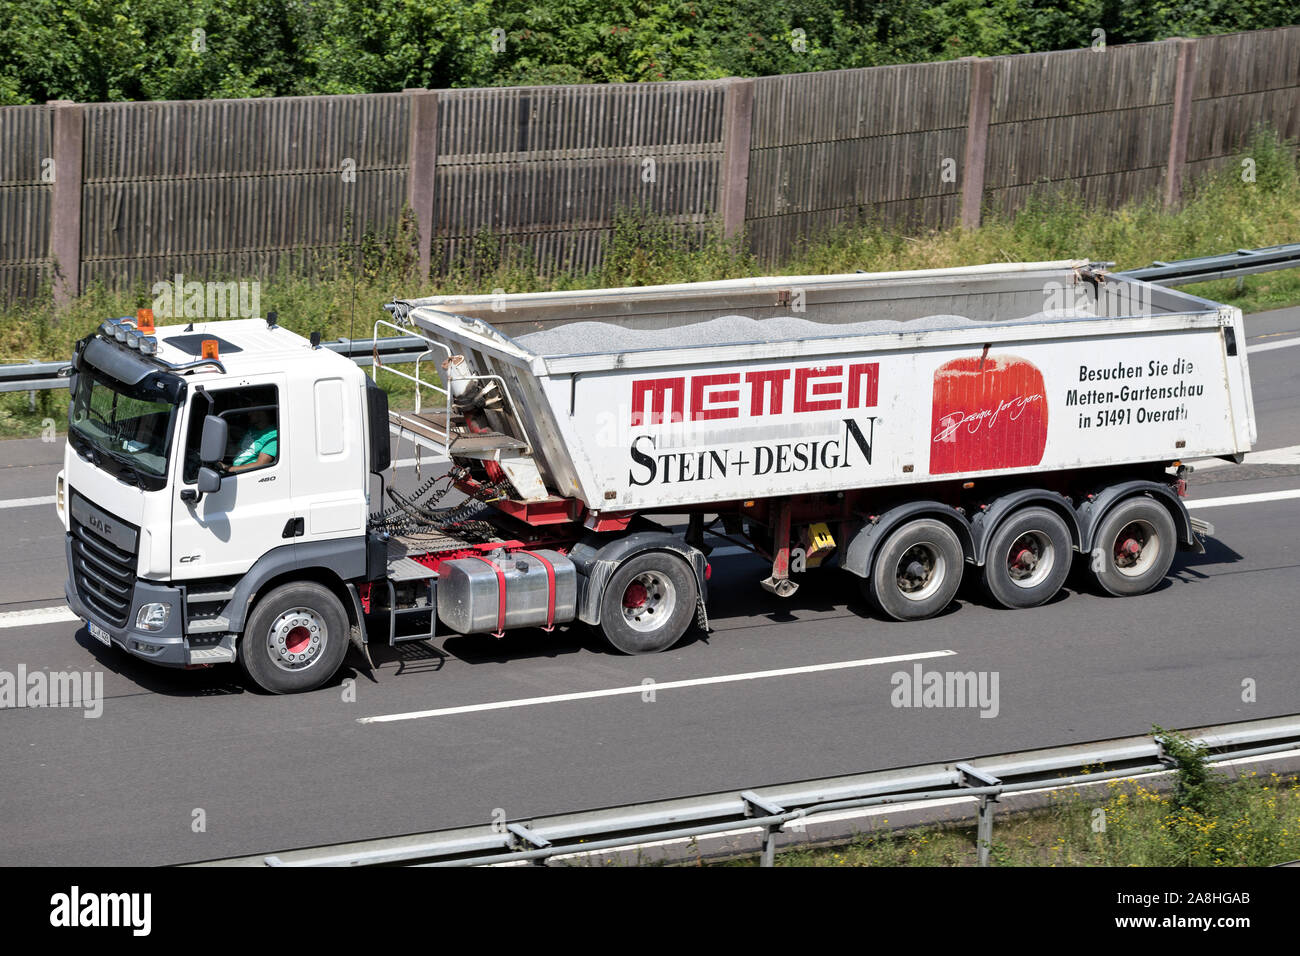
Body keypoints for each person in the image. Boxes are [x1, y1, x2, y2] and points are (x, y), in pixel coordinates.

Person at [224, 406, 277, 473]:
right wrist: (227, 433)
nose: (249, 414)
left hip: (248, 474)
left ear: (261, 413)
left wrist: (229, 469)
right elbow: (238, 452)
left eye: (252, 410)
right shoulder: (252, 430)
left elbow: (260, 464)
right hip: (235, 470)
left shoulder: (273, 436)